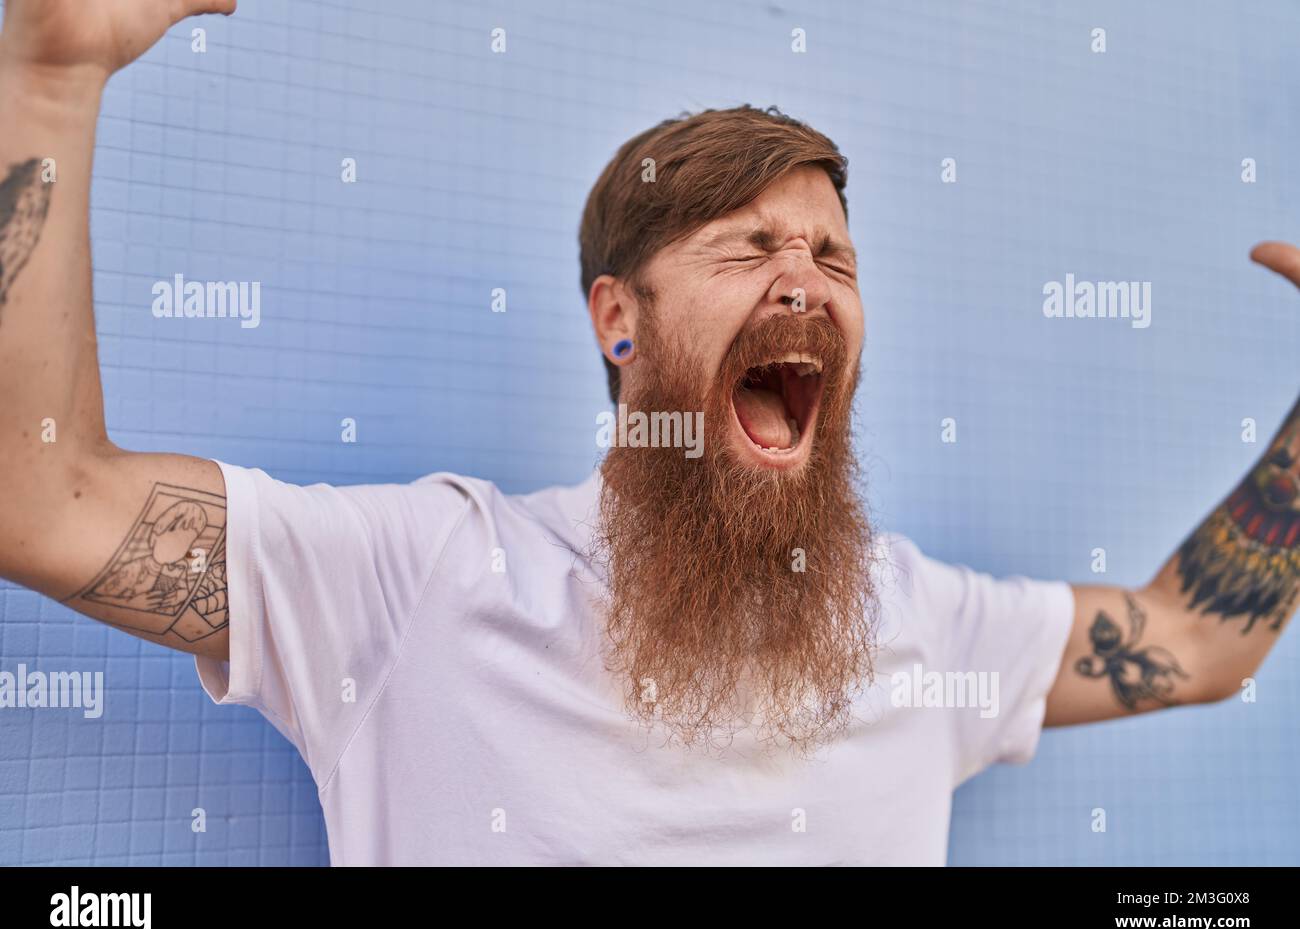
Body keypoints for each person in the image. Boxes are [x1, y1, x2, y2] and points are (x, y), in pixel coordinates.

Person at [0, 0, 1296, 865]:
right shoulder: (416, 582)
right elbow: (42, 503)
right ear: (618, 320)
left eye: (834, 258)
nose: (806, 283)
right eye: (750, 248)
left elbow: (1190, 642)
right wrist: (46, 80)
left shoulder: (924, 626)